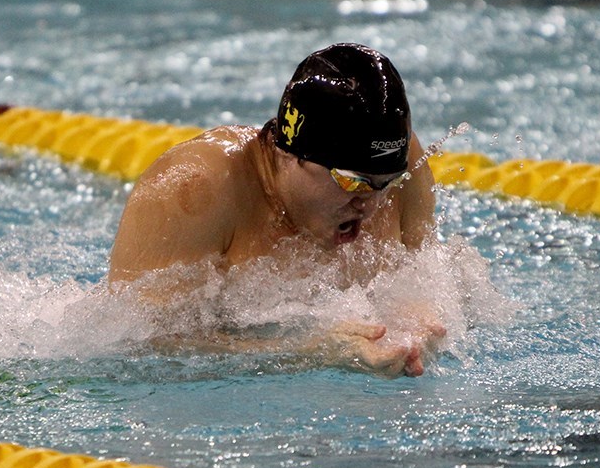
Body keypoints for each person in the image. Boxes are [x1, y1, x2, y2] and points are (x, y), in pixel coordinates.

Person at [108, 43, 443, 377]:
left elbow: (425, 272)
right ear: (290, 154)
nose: (370, 205)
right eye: (354, 182)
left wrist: (418, 316)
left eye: (386, 183)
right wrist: (307, 351)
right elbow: (137, 342)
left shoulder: (405, 169)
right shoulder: (197, 191)